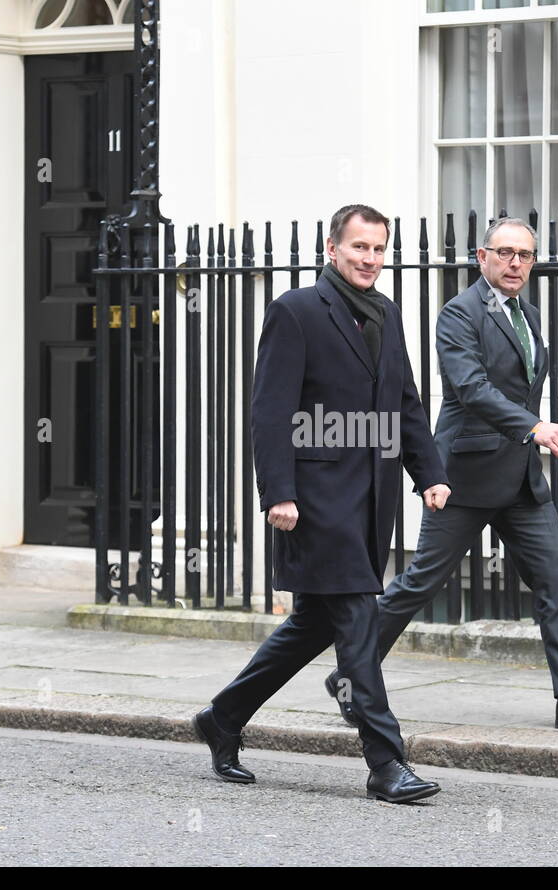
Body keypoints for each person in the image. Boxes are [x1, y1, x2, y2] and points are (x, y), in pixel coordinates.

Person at [325, 217, 558, 731]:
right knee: (420, 583)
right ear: (482, 256)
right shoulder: (459, 313)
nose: (516, 263)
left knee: (557, 579)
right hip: (466, 475)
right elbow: (469, 388)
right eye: (506, 253)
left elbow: (520, 386)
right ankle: (350, 677)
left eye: (526, 256)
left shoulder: (529, 315)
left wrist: (529, 433)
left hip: (519, 479)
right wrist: (535, 427)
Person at [192, 203, 452, 803]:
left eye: (379, 249)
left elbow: (405, 403)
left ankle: (222, 717)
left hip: (371, 502)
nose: (370, 259)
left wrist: (427, 473)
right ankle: (386, 763)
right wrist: (277, 491)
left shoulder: (386, 313)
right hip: (315, 502)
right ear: (332, 248)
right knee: (359, 622)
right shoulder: (297, 311)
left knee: (312, 624)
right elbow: (270, 409)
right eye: (359, 247)